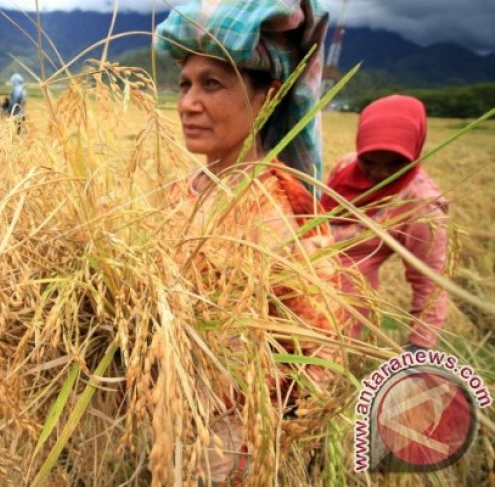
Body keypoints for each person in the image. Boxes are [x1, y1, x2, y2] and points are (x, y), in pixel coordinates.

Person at [155, 1, 344, 483]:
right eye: (185, 84)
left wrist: (258, 453)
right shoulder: (180, 193)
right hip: (168, 429)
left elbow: (318, 364)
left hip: (237, 451)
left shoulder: (288, 211)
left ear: (269, 97)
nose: (187, 103)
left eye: (211, 84)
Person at [321, 95, 448, 352]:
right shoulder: (347, 165)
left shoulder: (421, 205)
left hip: (343, 308)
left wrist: (418, 349)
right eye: (368, 162)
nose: (379, 174)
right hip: (297, 283)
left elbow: (430, 283)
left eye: (395, 164)